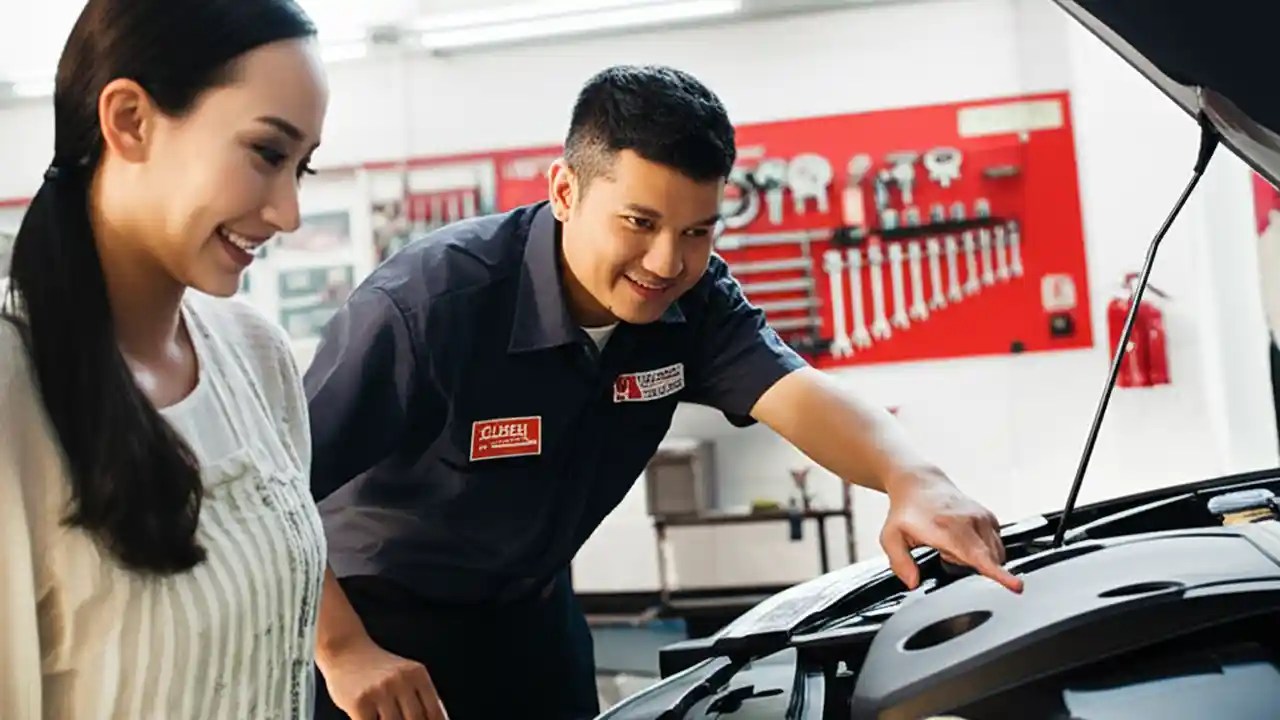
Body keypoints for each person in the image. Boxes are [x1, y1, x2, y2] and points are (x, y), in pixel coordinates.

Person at [306, 64, 1024, 720]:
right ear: (564, 191)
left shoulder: (694, 300)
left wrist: (913, 478)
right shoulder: (429, 306)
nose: (666, 261)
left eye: (697, 231)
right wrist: (342, 650)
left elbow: (793, 389)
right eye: (639, 223)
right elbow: (272, 494)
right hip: (369, 623)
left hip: (530, 614)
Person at [0, 1, 336, 718]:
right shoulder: (11, 391)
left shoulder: (258, 358)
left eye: (302, 167)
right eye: (267, 154)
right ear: (129, 120)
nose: (288, 211)